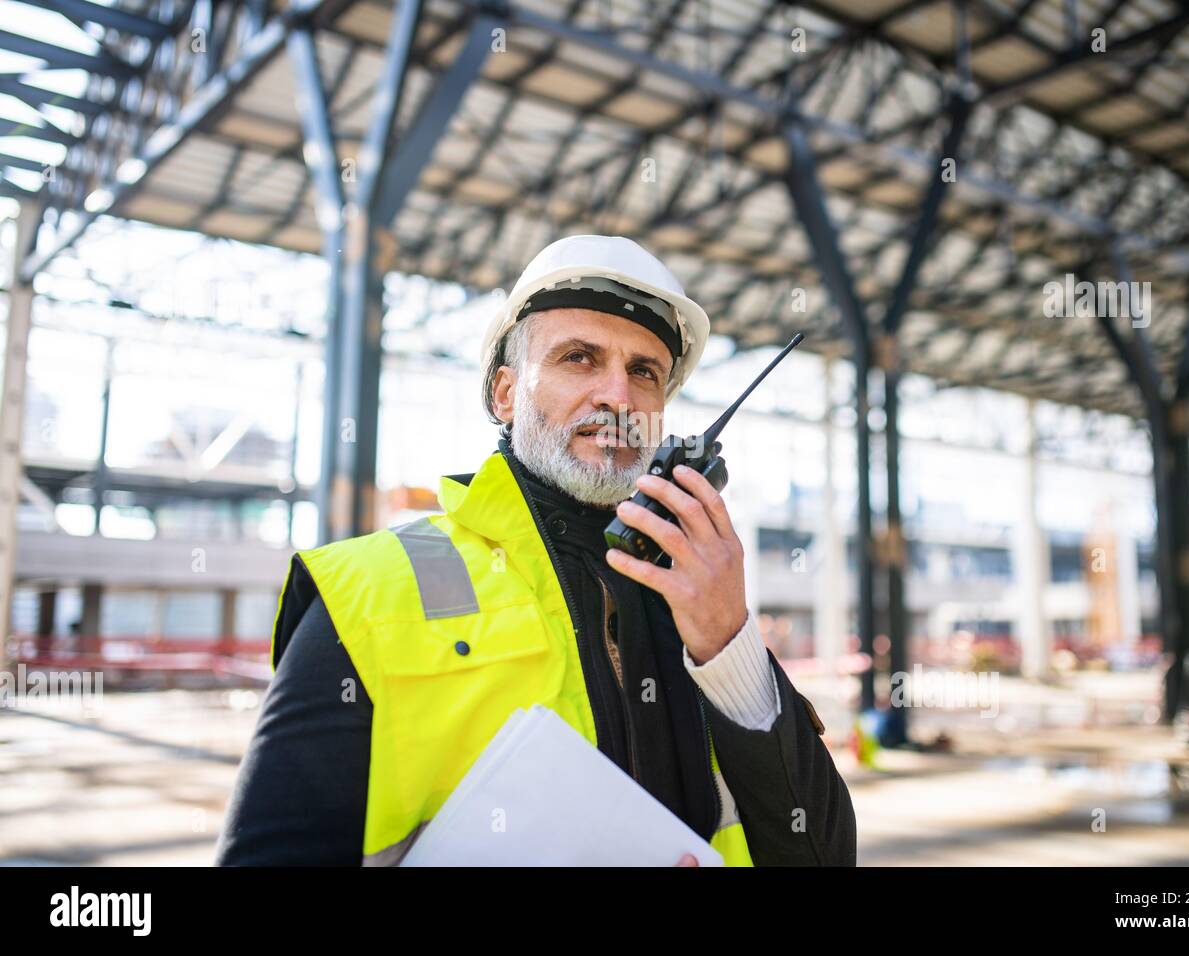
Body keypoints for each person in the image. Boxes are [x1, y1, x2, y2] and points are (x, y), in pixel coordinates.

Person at [216, 235, 857, 866]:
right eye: (579, 357)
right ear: (504, 393)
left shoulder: (699, 601)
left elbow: (824, 856)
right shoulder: (368, 592)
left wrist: (729, 643)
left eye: (644, 372)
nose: (617, 395)